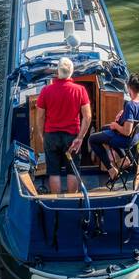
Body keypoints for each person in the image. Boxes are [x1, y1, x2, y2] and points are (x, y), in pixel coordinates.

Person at [34, 56, 91, 193]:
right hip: (72, 136)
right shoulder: (80, 90)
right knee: (72, 170)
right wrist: (80, 137)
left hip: (51, 136)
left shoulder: (46, 91)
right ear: (71, 72)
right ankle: (72, 200)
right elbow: (87, 117)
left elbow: (40, 116)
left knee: (54, 171)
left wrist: (42, 135)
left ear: (58, 72)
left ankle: (56, 200)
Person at [88, 73, 139, 183]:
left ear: (129, 87)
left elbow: (127, 131)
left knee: (92, 139)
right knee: (103, 129)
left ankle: (111, 170)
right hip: (138, 137)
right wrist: (124, 113)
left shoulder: (131, 105)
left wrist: (115, 125)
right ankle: (124, 158)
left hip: (127, 140)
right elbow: (136, 117)